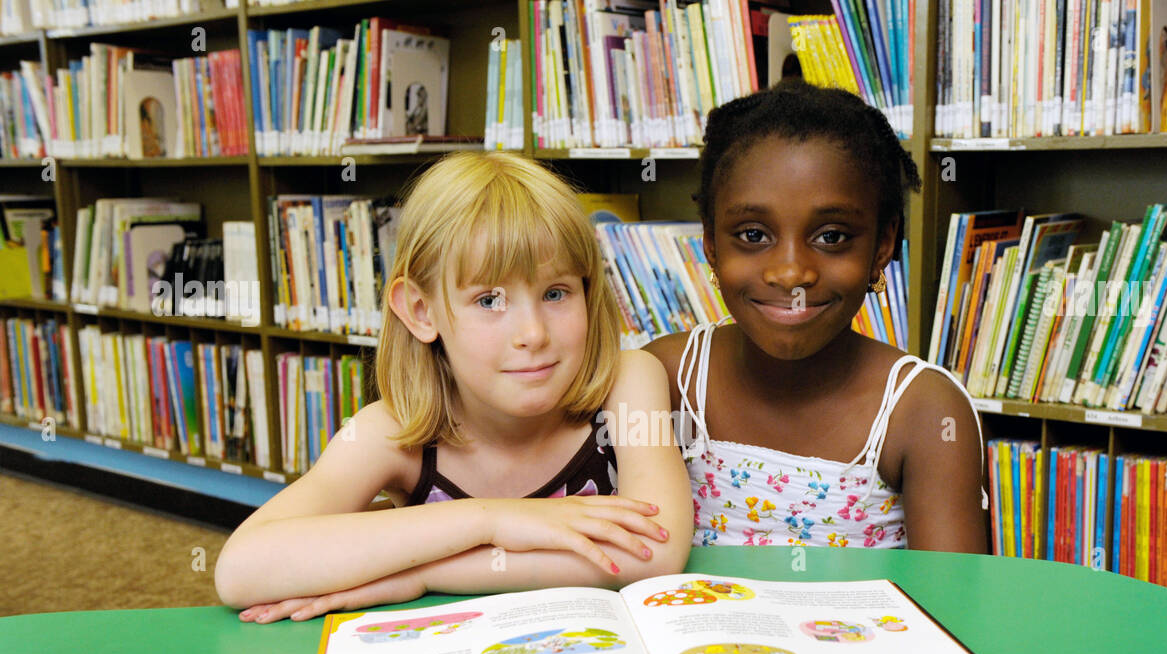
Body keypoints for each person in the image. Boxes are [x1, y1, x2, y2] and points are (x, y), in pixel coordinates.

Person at [215, 152, 693, 621]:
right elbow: (241, 570)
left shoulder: (627, 381)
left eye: (555, 293)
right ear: (421, 312)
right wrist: (490, 519)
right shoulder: (392, 433)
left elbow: (657, 552)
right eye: (489, 300)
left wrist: (421, 575)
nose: (533, 334)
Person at [644, 82, 988, 551]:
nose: (791, 273)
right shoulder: (662, 378)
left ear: (882, 246)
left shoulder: (923, 411)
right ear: (709, 242)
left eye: (831, 237)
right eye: (752, 234)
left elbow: (953, 609)